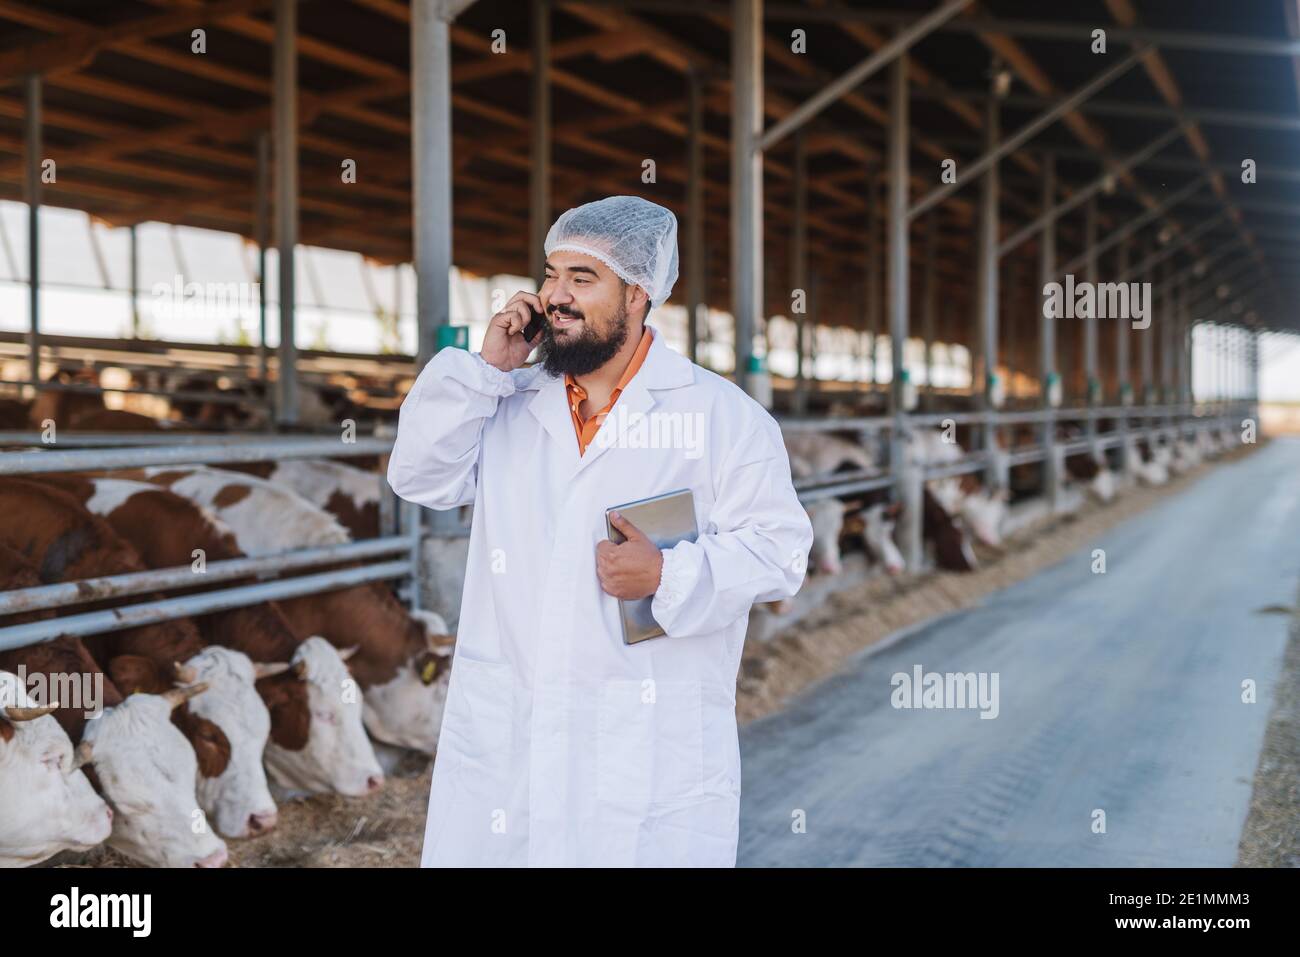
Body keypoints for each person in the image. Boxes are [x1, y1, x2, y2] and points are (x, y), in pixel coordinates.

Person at [388, 194, 813, 866]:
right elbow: (418, 477)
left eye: (581, 280)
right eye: (551, 274)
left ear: (638, 295)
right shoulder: (509, 401)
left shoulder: (721, 416)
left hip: (645, 746)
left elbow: (780, 551)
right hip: (511, 737)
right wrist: (485, 370)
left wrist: (670, 574)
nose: (554, 295)